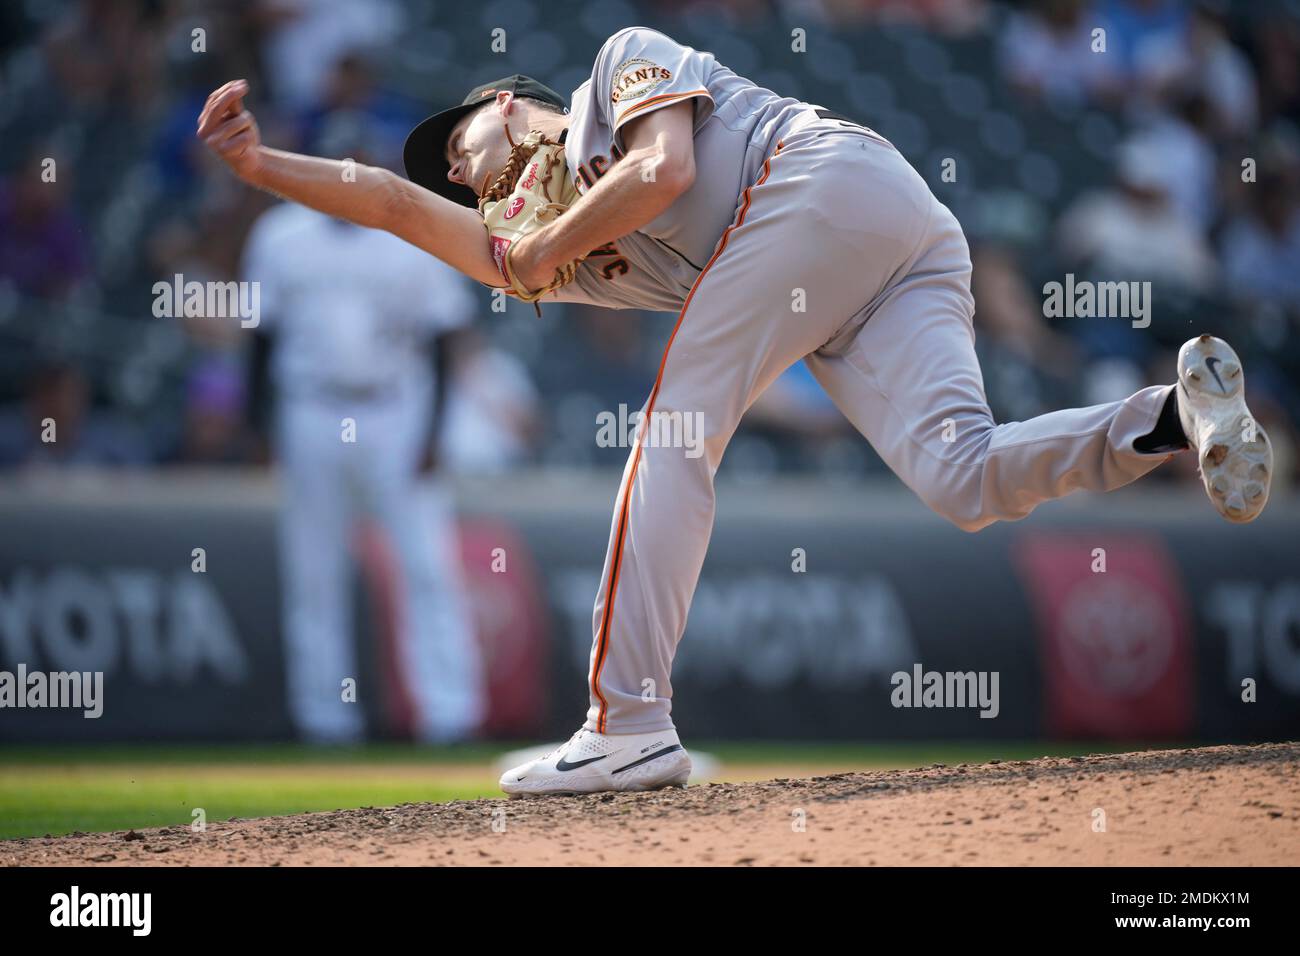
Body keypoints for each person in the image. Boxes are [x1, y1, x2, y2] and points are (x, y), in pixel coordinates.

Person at [197, 26, 1273, 793]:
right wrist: (259, 164)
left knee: (673, 425)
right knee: (965, 477)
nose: (462, 178)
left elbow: (664, 167)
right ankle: (1167, 417)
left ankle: (625, 724)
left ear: (509, 104)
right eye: (456, 180)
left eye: (461, 149)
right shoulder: (545, 253)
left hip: (828, 178)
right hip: (877, 271)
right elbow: (387, 203)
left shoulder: (613, 69)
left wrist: (545, 246)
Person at [240, 114, 484, 744]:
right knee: (313, 570)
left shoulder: (408, 229)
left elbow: (441, 340)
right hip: (310, 407)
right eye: (335, 162)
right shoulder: (280, 233)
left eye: (357, 161)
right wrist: (257, 424)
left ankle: (449, 715)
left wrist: (434, 433)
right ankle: (325, 720)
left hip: (395, 408)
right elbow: (260, 341)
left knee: (426, 565)